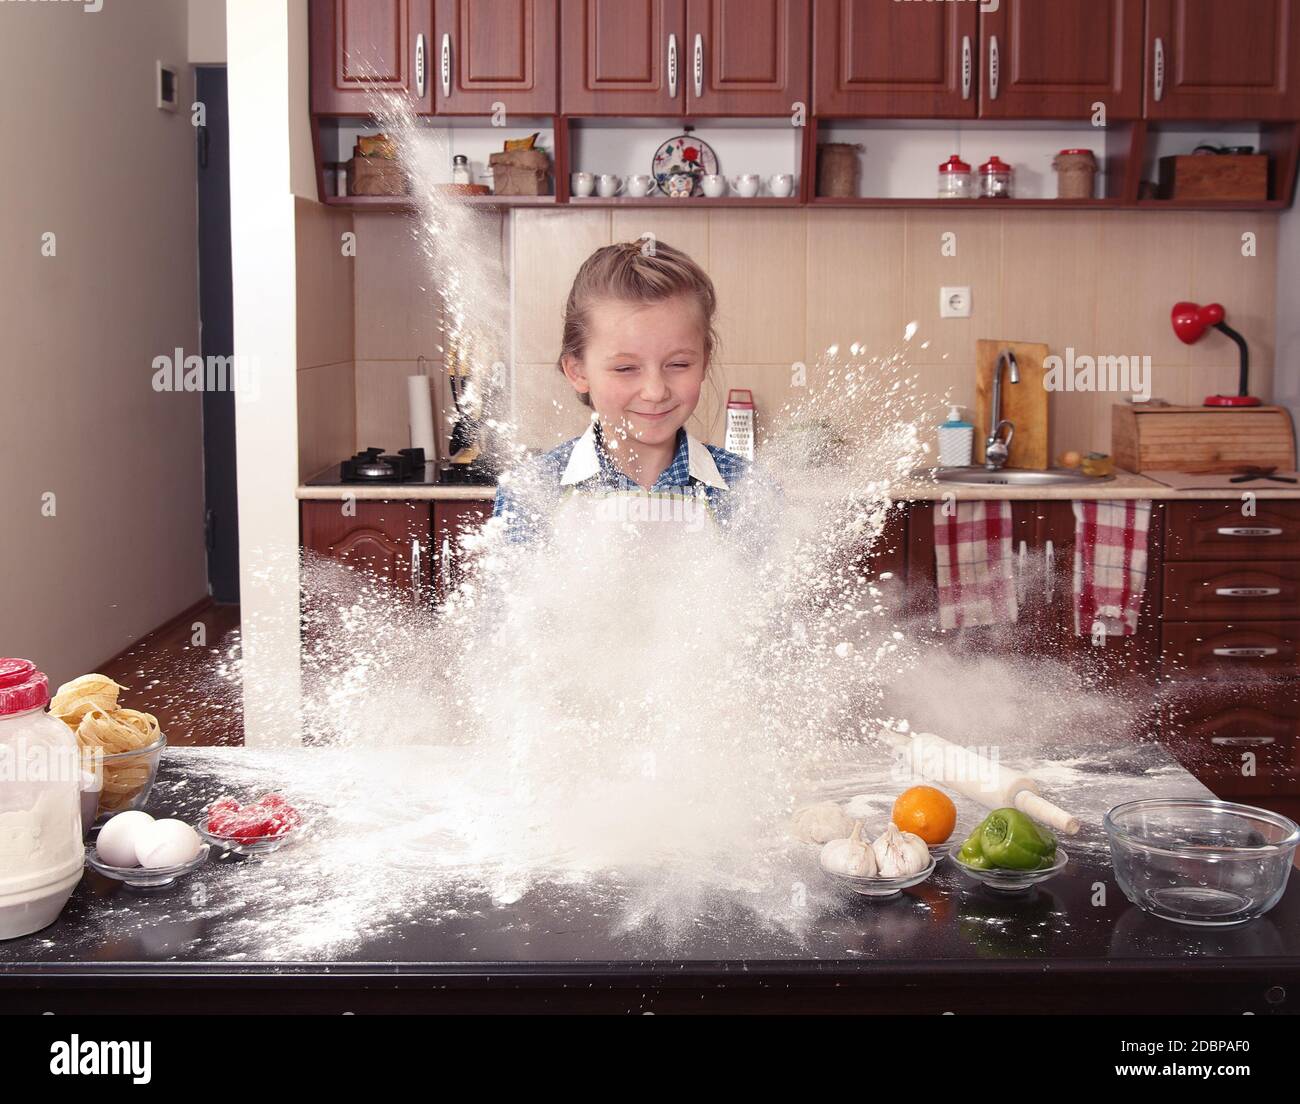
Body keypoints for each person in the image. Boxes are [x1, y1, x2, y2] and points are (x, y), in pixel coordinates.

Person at [491, 240, 757, 545]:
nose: (655, 391)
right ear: (578, 371)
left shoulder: (747, 492)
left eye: (679, 363)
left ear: (704, 362)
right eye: (626, 368)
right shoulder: (533, 493)